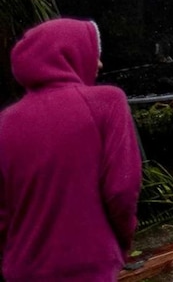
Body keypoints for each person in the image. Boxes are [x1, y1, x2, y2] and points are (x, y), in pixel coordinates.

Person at [0, 18, 142, 282]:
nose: (99, 64)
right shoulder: (107, 103)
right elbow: (121, 190)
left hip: (21, 271)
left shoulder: (5, 122)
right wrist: (120, 243)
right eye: (94, 53)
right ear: (69, 54)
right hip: (86, 267)